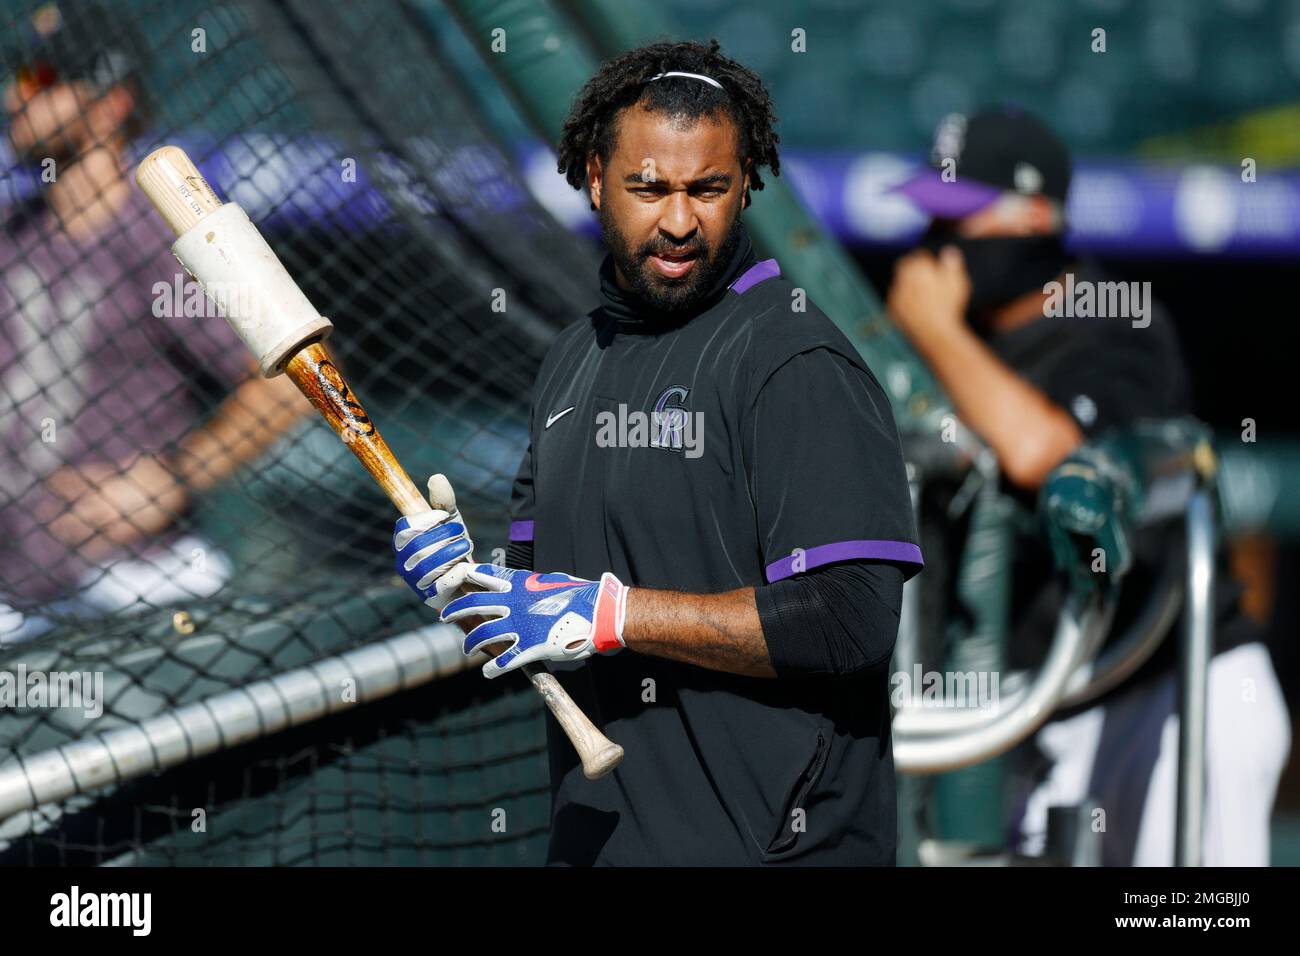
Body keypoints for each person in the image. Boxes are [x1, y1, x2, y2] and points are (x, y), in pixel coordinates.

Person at [392, 39, 922, 865]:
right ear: (596, 179)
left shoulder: (794, 360)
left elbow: (850, 618)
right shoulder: (572, 359)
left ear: (745, 184)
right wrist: (466, 581)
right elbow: (543, 602)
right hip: (599, 845)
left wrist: (614, 616)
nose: (679, 221)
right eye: (649, 188)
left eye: (707, 189)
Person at [886, 107, 1290, 865]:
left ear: (1037, 217)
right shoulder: (956, 331)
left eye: (959, 218)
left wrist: (938, 332)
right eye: (931, 216)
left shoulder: (1117, 319)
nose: (938, 242)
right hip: (1040, 704)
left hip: (1172, 692)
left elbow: (1048, 452)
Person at [0, 3, 309, 642]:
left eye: (40, 79)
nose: (13, 96)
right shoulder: (13, 233)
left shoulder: (164, 240)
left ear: (112, 102)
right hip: (19, 588)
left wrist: (173, 477)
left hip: (137, 587)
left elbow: (291, 381)